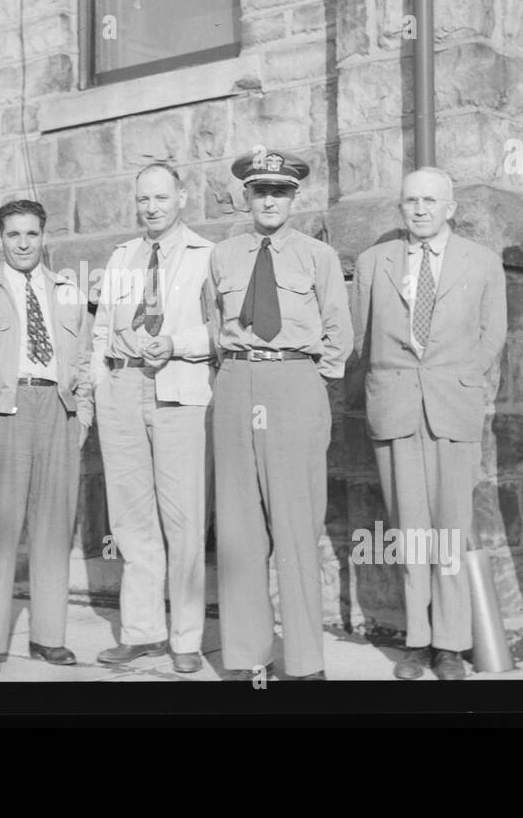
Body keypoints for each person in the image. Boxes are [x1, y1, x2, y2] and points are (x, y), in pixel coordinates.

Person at [352, 167, 507, 680]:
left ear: (450, 208)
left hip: (451, 407)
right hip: (395, 406)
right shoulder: (375, 261)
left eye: (429, 201)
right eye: (410, 201)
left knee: (450, 528)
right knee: (408, 528)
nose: (418, 209)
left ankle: (451, 643)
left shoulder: (482, 263)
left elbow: (492, 337)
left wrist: (459, 381)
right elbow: (359, 336)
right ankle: (417, 640)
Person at [209, 149, 351, 681]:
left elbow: (339, 329)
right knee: (239, 527)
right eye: (260, 190)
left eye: (280, 191)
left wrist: (311, 382)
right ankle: (248, 657)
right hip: (236, 381)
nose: (269, 200)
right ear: (245, 195)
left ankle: (306, 661)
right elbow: (212, 322)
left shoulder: (318, 256)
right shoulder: (223, 256)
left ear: (294, 197)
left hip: (294, 382)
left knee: (295, 526)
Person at [91, 162, 215, 674]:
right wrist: (100, 386)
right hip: (122, 389)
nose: (151, 207)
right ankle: (142, 631)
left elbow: (223, 330)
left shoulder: (207, 256)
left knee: (183, 518)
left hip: (178, 392)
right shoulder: (123, 256)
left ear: (182, 198)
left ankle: (186, 637)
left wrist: (178, 344)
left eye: (161, 198)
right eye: (143, 199)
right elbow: (101, 329)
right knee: (131, 518)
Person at [0, 199, 93, 674]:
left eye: (32, 234)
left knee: (53, 527)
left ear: (44, 236)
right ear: (1, 238)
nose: (23, 243)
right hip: (5, 410)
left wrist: (82, 415)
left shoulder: (66, 290)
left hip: (57, 410)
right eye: (13, 234)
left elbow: (83, 358)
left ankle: (48, 637)